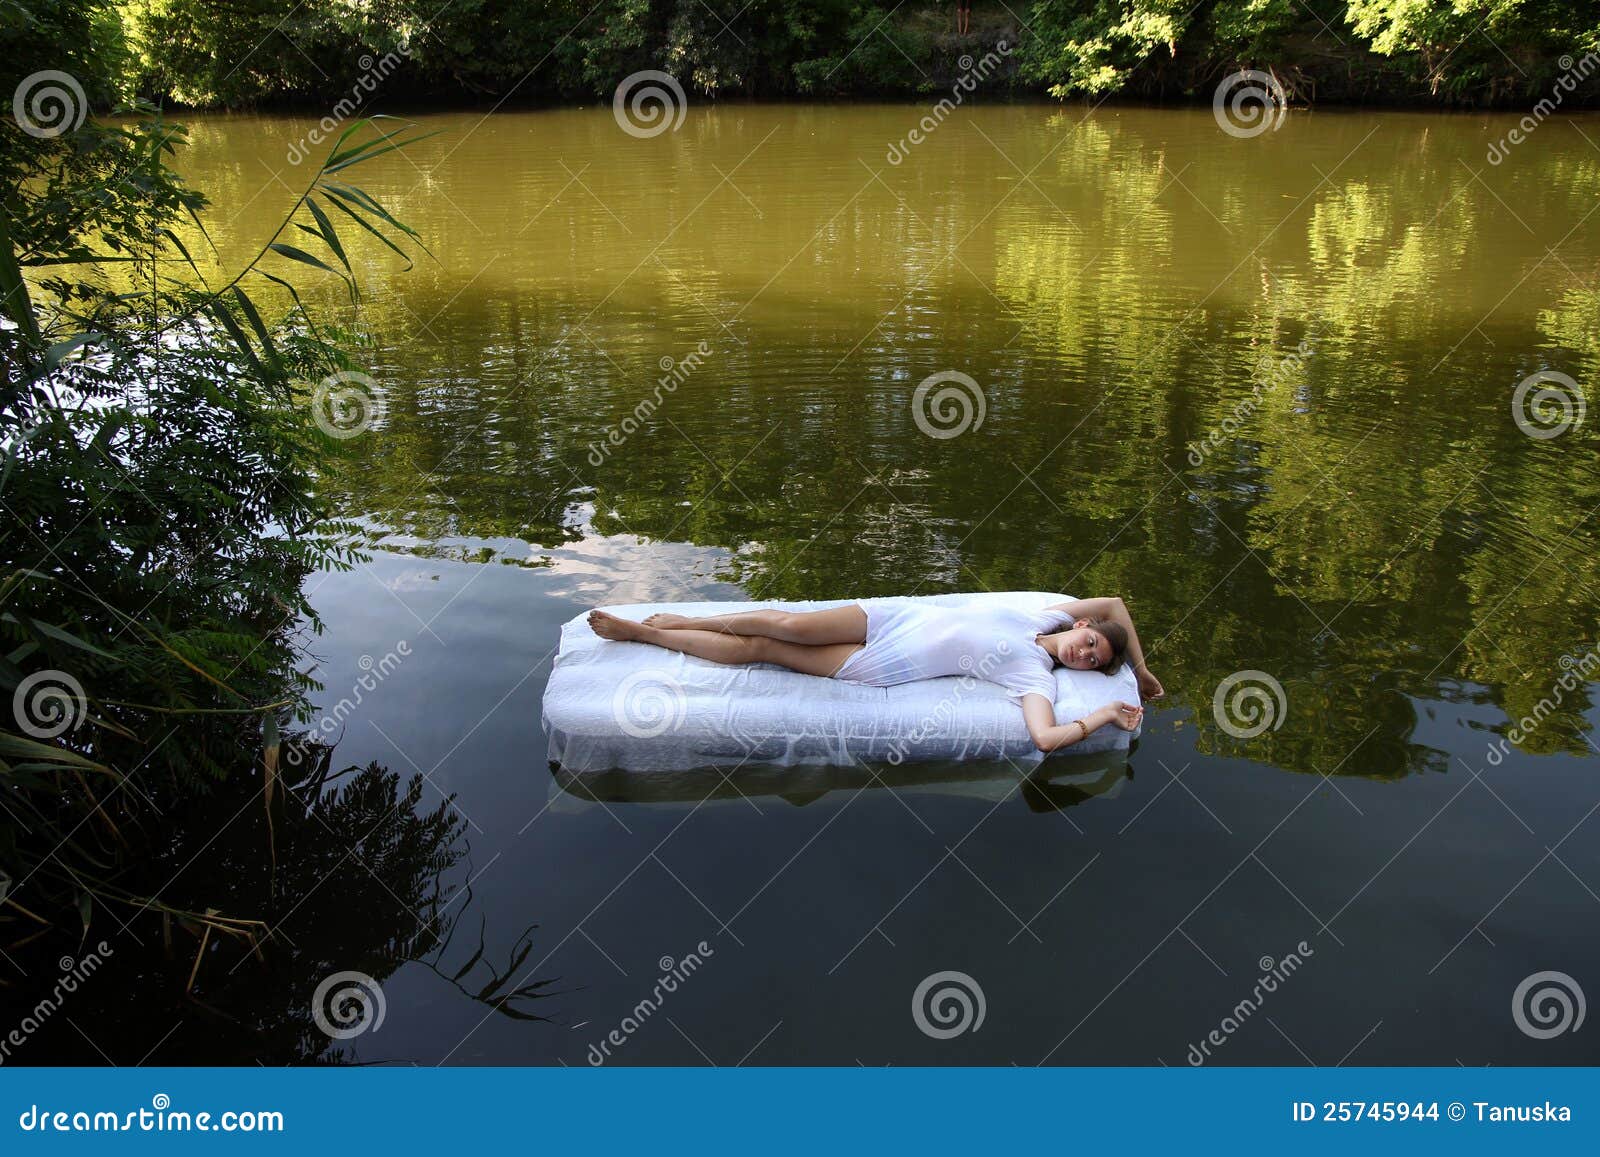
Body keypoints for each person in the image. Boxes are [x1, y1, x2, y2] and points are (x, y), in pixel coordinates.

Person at [587, 595, 1161, 753]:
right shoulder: (1049, 614)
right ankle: (691, 618)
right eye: (1089, 644)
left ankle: (647, 634)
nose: (1085, 656)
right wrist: (1140, 667)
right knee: (782, 622)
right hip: (894, 617)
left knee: (764, 646)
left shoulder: (1036, 677)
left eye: (1093, 662)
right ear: (1081, 624)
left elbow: (1044, 738)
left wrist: (1106, 711)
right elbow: (1115, 603)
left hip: (884, 664)